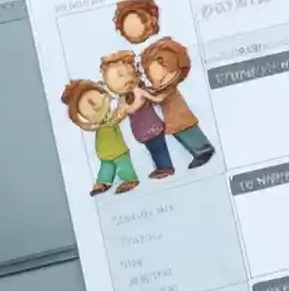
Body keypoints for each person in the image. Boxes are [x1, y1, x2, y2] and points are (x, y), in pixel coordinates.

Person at [142, 37, 216, 169]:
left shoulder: (169, 89)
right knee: (182, 134)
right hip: (173, 118)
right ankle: (197, 152)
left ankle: (203, 150)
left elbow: (159, 99)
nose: (158, 81)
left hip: (179, 116)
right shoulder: (161, 88)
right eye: (152, 77)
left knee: (189, 132)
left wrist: (147, 94)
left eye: (164, 77)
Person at [100, 51, 174, 180]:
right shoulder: (122, 98)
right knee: (153, 149)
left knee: (159, 148)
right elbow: (120, 113)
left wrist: (162, 95)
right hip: (141, 131)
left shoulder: (138, 91)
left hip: (151, 126)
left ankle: (166, 167)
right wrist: (112, 120)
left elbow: (154, 99)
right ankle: (161, 167)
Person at [60, 79, 139, 196]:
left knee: (123, 164)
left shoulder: (112, 119)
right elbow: (86, 126)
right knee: (106, 167)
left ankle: (130, 179)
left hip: (118, 149)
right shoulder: (94, 125)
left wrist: (123, 97)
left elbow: (120, 113)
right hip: (103, 152)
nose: (97, 108)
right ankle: (103, 183)